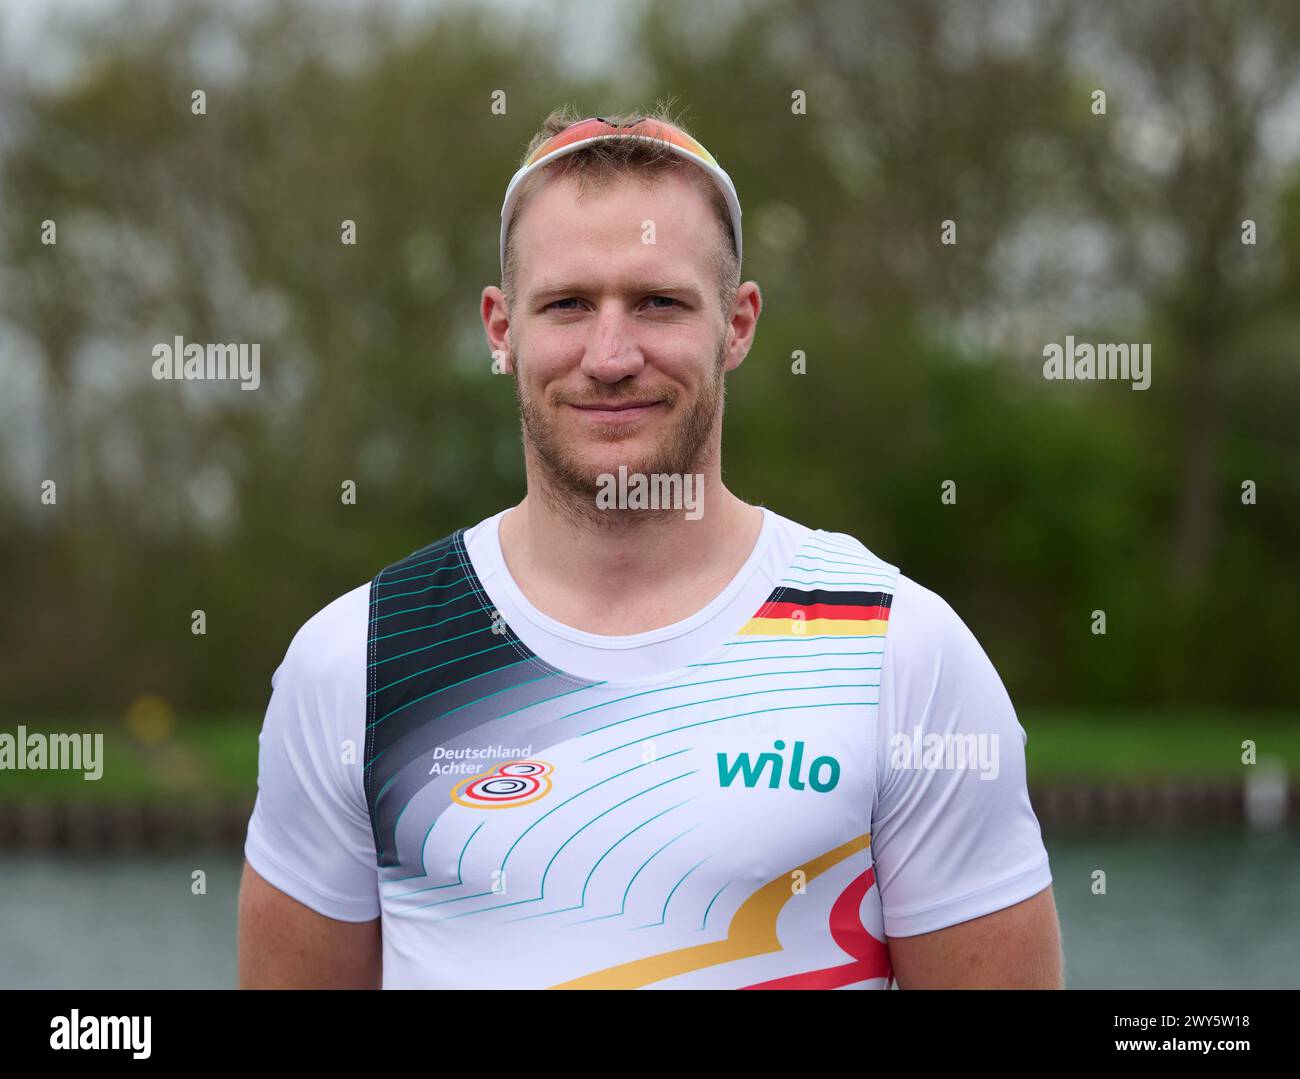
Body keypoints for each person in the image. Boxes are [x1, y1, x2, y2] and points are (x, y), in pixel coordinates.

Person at [238, 107, 1063, 989]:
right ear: (500, 328)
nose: (611, 354)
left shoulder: (901, 648)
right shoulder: (357, 660)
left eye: (659, 302)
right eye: (567, 305)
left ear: (738, 324)